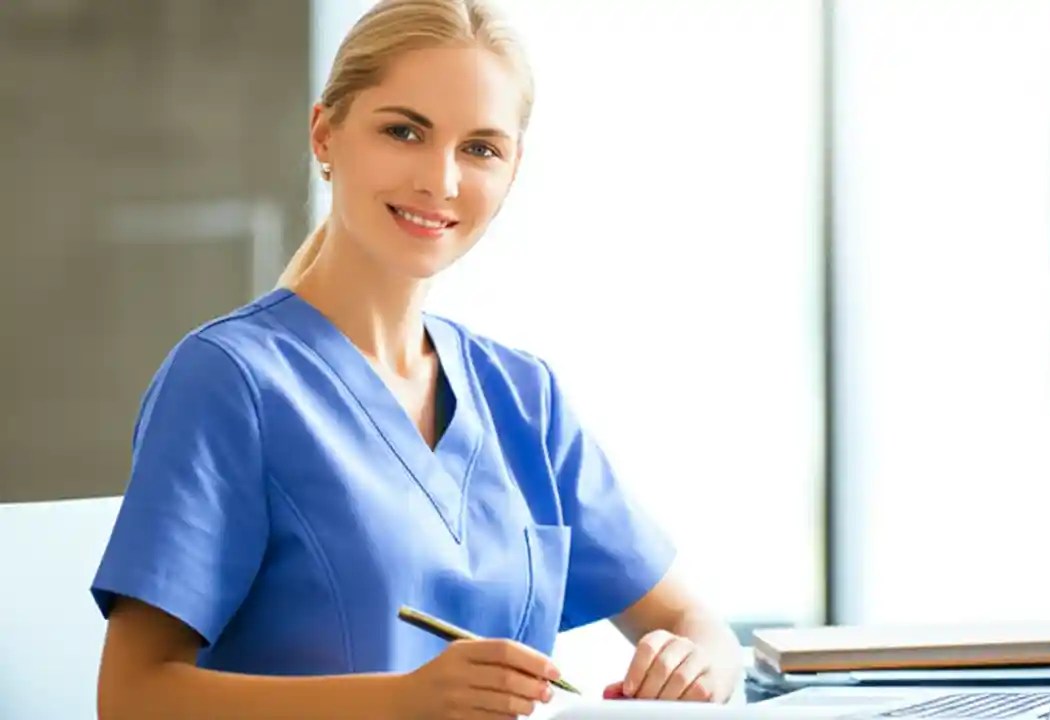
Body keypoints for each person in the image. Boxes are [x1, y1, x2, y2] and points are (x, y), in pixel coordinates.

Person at [89, 1, 744, 718]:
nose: (441, 180)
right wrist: (401, 703)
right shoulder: (229, 381)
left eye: (481, 148)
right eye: (404, 131)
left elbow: (697, 627)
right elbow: (132, 696)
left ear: (512, 170)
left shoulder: (524, 396)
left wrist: (699, 660)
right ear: (325, 134)